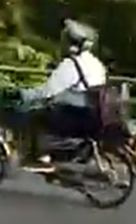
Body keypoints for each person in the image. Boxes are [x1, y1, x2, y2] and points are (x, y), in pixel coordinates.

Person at [18, 19, 108, 168]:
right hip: (94, 116)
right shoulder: (95, 63)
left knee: (33, 116)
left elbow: (48, 92)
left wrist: (24, 94)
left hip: (79, 117)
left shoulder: (71, 65)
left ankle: (40, 158)